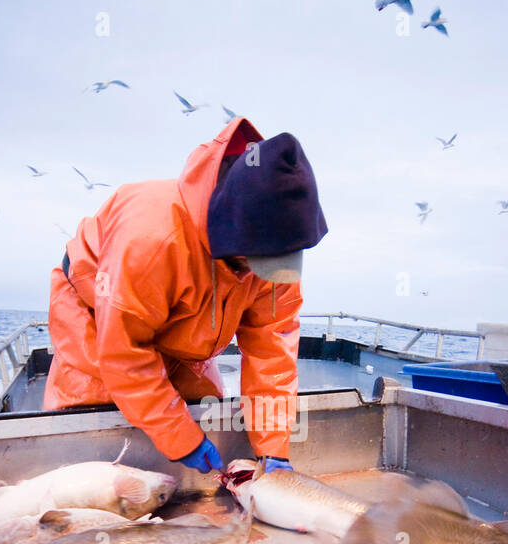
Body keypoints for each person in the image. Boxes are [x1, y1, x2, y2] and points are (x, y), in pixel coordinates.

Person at [42, 117, 327, 474]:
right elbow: (124, 354)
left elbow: (273, 356)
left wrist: (274, 449)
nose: (266, 274)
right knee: (100, 413)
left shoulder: (279, 250)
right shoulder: (150, 240)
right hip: (101, 310)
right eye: (259, 262)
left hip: (189, 323)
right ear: (233, 239)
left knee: (198, 405)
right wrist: (181, 439)